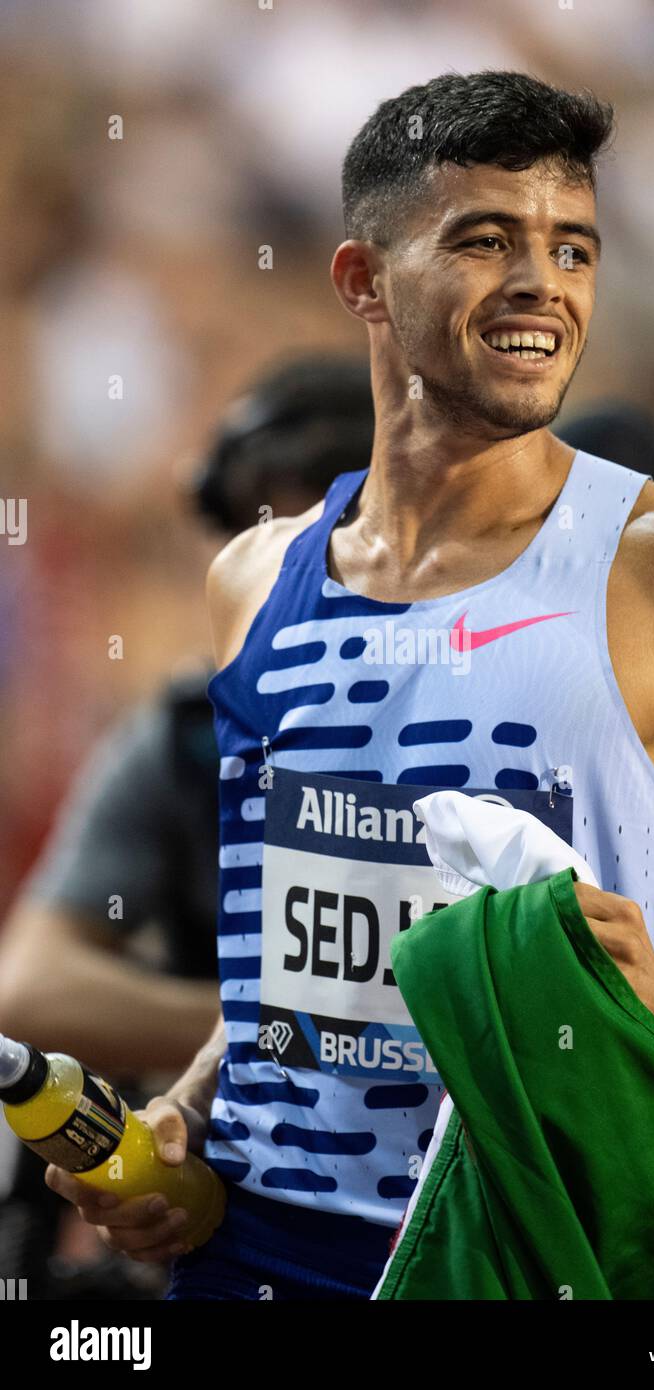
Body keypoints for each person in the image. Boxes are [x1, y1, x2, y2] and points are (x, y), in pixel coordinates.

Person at [46, 71, 654, 1300]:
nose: (543, 284)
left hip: (541, 1251)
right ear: (363, 280)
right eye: (485, 240)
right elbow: (286, 966)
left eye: (573, 248)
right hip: (254, 1252)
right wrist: (194, 1104)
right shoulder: (253, 582)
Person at [0, 354, 374, 1296]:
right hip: (230, 1190)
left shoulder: (469, 712)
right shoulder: (180, 740)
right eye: (247, 540)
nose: (274, 575)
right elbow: (29, 984)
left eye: (316, 537)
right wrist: (261, 1028)